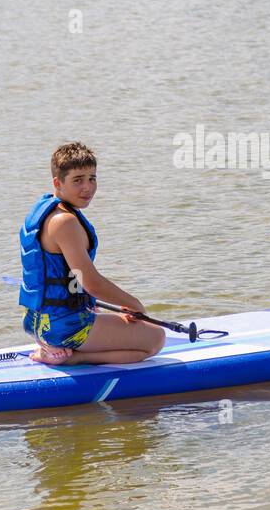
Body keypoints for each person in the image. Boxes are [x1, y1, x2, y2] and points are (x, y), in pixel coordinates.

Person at [18, 142, 165, 366]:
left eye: (92, 178)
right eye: (78, 180)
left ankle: (55, 347)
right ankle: (72, 358)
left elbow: (69, 274)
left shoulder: (46, 211)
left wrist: (86, 302)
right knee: (155, 337)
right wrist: (134, 304)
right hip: (64, 328)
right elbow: (91, 282)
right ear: (58, 182)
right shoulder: (65, 222)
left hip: (36, 322)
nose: (88, 187)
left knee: (122, 322)